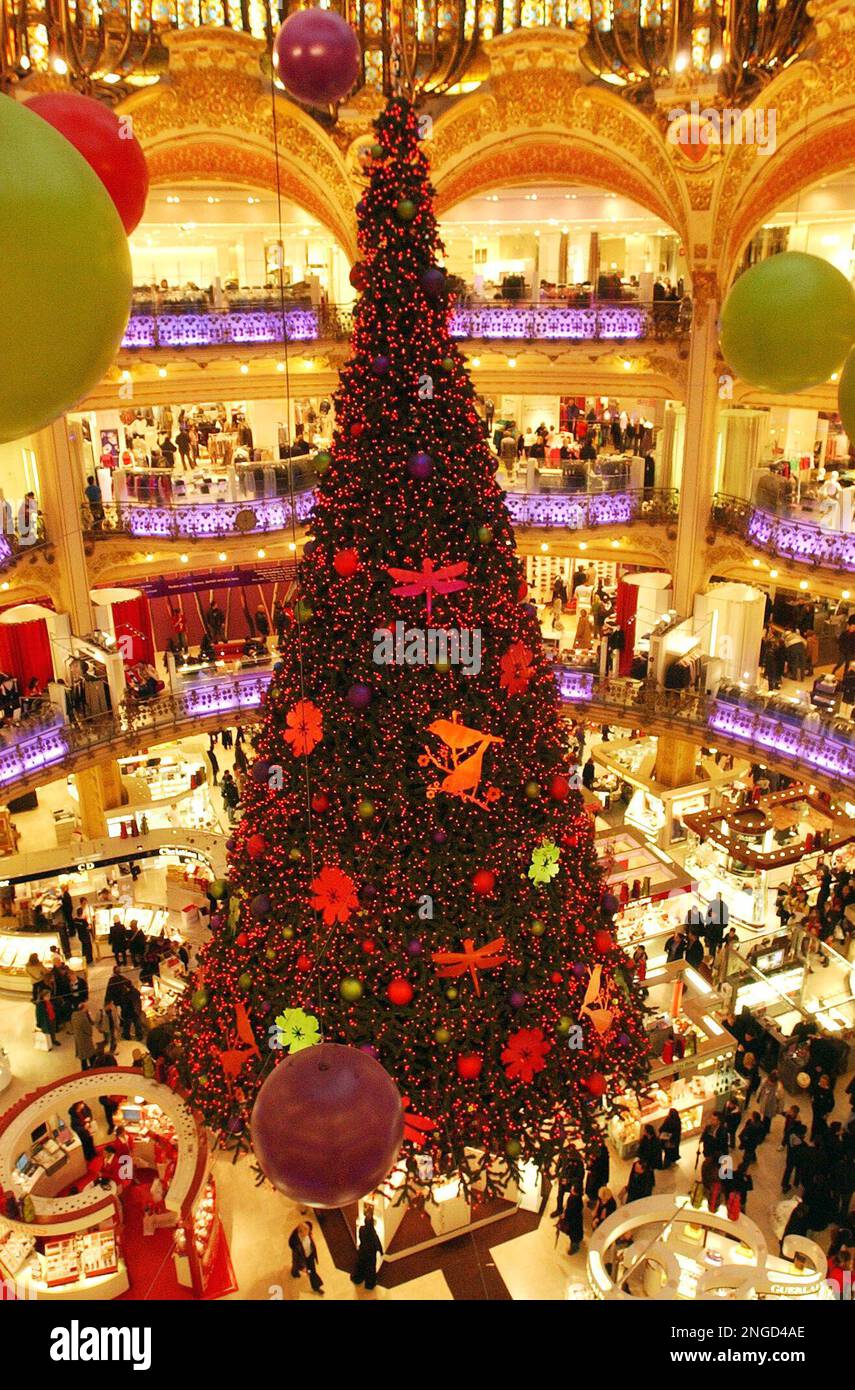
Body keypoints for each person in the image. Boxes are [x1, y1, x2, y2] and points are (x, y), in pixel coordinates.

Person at [350, 1209, 383, 1289]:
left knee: (360, 1265)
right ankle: (369, 1284)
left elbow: (360, 1238)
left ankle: (358, 1278)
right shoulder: (373, 1234)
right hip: (370, 1255)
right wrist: (381, 1251)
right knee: (370, 1269)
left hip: (362, 1252)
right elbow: (377, 1244)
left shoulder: (361, 1229)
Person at [288, 1220, 324, 1294]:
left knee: (312, 1272)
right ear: (300, 1232)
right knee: (307, 1270)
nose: (308, 1233)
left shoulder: (308, 1233)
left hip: (309, 1256)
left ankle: (315, 1286)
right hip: (303, 1259)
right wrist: (303, 1267)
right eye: (307, 1232)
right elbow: (297, 1258)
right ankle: (296, 1272)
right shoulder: (296, 1243)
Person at [558, 1180, 585, 1255]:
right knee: (576, 1233)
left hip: (573, 1222)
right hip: (577, 1220)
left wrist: (564, 1216)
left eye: (572, 1189)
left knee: (574, 1235)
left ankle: (574, 1248)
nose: (571, 1189)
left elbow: (570, 1212)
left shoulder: (574, 1201)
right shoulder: (577, 1198)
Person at [756, 1069, 783, 1138]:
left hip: (772, 1105)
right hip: (764, 1102)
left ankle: (764, 1132)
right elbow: (760, 1089)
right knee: (765, 1116)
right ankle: (765, 1129)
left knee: (768, 1118)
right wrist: (758, 1097)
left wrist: (779, 1109)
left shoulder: (779, 1088)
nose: (769, 1083)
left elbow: (780, 1100)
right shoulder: (764, 1081)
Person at [71, 1001, 96, 1071]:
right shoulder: (83, 1018)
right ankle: (93, 1068)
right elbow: (88, 1030)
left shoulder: (74, 1015)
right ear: (83, 1008)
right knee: (90, 1055)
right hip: (85, 1039)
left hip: (78, 1038)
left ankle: (84, 1069)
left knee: (83, 1057)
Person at [810, 1073, 835, 1141]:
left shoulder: (829, 1091)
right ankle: (813, 1136)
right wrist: (812, 1097)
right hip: (815, 1107)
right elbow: (813, 1092)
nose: (821, 1083)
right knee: (815, 1122)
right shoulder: (817, 1085)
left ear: (827, 1083)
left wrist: (828, 1113)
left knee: (821, 1123)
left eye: (823, 1082)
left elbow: (832, 1103)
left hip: (823, 1110)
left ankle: (819, 1136)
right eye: (821, 1081)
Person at [585, 1138, 610, 1206]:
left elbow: (603, 1165)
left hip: (599, 1174)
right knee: (591, 1187)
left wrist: (593, 1161)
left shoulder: (603, 1151)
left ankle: (595, 1201)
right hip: (593, 1172)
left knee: (595, 1189)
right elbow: (587, 1155)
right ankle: (593, 1200)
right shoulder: (593, 1146)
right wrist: (589, 1162)